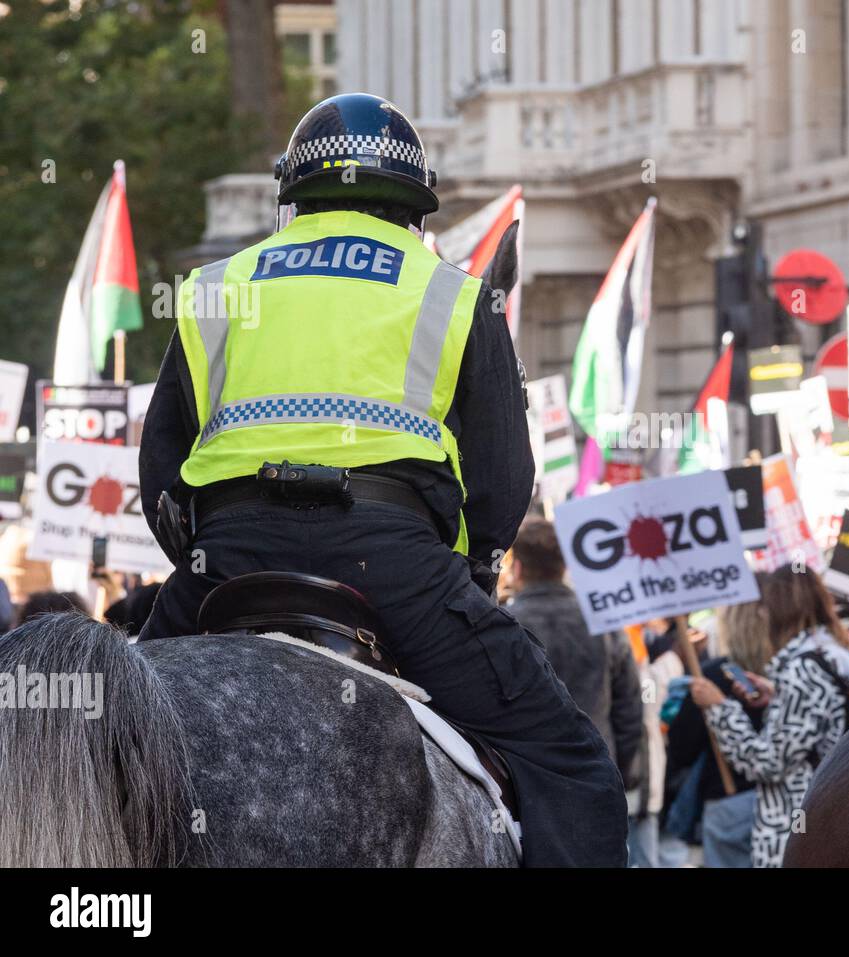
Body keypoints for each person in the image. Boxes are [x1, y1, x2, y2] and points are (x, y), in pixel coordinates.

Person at [134, 93, 626, 866]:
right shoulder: (456, 295)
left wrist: (205, 554)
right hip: (392, 563)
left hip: (227, 558)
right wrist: (463, 572)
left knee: (100, 742)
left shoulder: (212, 289)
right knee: (569, 761)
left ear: (292, 195)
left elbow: (160, 474)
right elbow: (501, 486)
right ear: (413, 208)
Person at [690, 566, 849, 867]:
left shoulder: (802, 671)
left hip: (796, 832)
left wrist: (719, 708)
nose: (761, 614)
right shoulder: (834, 658)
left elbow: (768, 763)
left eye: (766, 606)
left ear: (780, 609)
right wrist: (776, 695)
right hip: (828, 817)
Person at [505, 518, 643, 791]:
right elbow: (629, 707)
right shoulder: (604, 622)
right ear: (565, 565)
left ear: (518, 568)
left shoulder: (503, 626)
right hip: (597, 773)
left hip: (529, 784)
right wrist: (623, 771)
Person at [665, 590, 770, 867]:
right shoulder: (789, 672)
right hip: (786, 803)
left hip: (730, 799)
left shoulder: (712, 677)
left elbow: (682, 747)